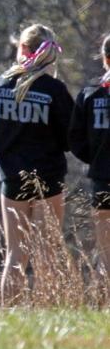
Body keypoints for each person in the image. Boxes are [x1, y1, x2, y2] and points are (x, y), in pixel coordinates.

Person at [0, 23, 74, 303]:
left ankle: (8, 316)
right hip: (48, 180)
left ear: (24, 49)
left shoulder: (2, 83)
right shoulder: (54, 90)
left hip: (12, 179)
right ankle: (47, 314)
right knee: (48, 253)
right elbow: (70, 138)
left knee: (15, 254)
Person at [69, 34, 110, 279]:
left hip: (102, 180)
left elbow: (75, 139)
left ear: (105, 59)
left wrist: (94, 158)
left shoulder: (90, 94)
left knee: (105, 253)